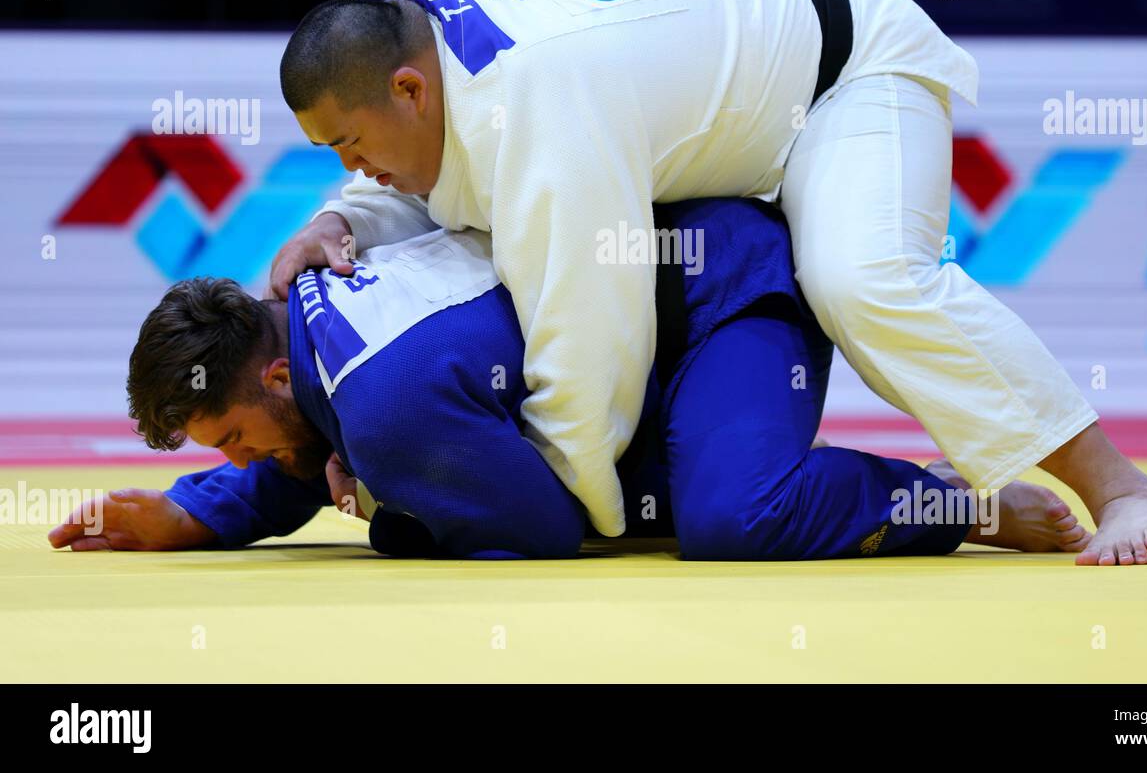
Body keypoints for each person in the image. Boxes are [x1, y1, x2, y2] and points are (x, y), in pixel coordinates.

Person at [268, 0, 1147, 565]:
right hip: (748, 42)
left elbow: (593, 345)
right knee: (725, 473)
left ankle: (1125, 490)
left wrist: (569, 512)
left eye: (351, 150)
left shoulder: (541, 106)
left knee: (861, 280)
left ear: (407, 88)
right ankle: (898, 489)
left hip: (846, 70)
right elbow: (412, 169)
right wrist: (340, 221)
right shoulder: (418, 27)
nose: (356, 168)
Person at [52, 199, 1089, 560]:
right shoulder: (309, 315)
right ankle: (747, 450)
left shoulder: (380, 404)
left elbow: (546, 527)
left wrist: (392, 512)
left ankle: (949, 499)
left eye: (231, 440)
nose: (249, 458)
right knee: (648, 481)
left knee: (727, 514)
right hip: (657, 312)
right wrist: (198, 515)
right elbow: (304, 436)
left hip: (723, 297)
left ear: (273, 370)